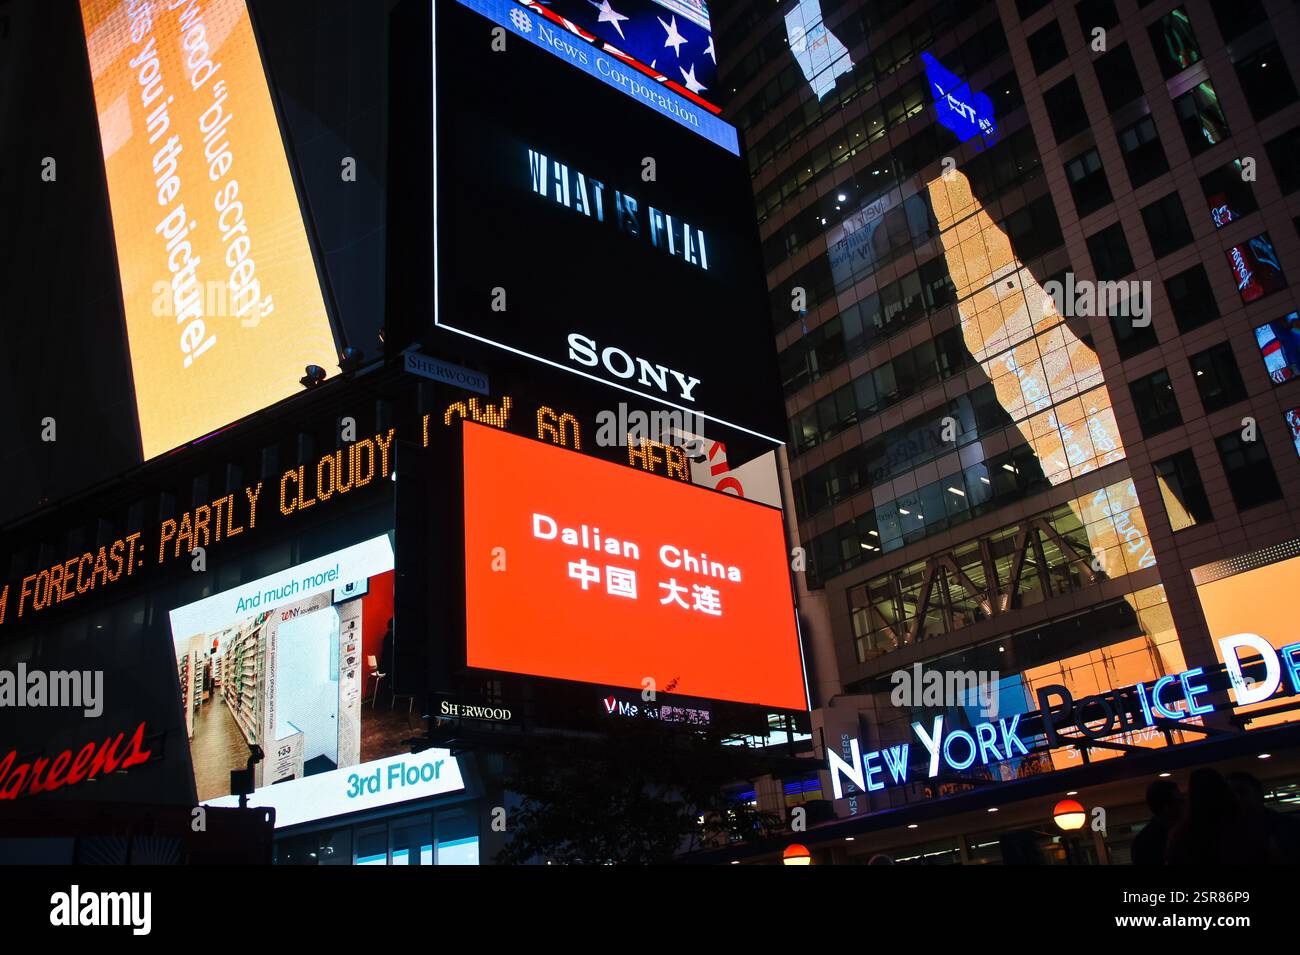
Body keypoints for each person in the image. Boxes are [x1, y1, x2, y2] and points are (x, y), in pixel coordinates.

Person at [1227, 771, 1299, 864]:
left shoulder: (1289, 826)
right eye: (1231, 795)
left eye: (1242, 792)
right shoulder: (1227, 833)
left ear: (1259, 794)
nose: (1237, 799)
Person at [1132, 778, 1182, 865]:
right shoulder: (1181, 834)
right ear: (1166, 807)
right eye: (1179, 802)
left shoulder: (1141, 841)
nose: (1184, 805)